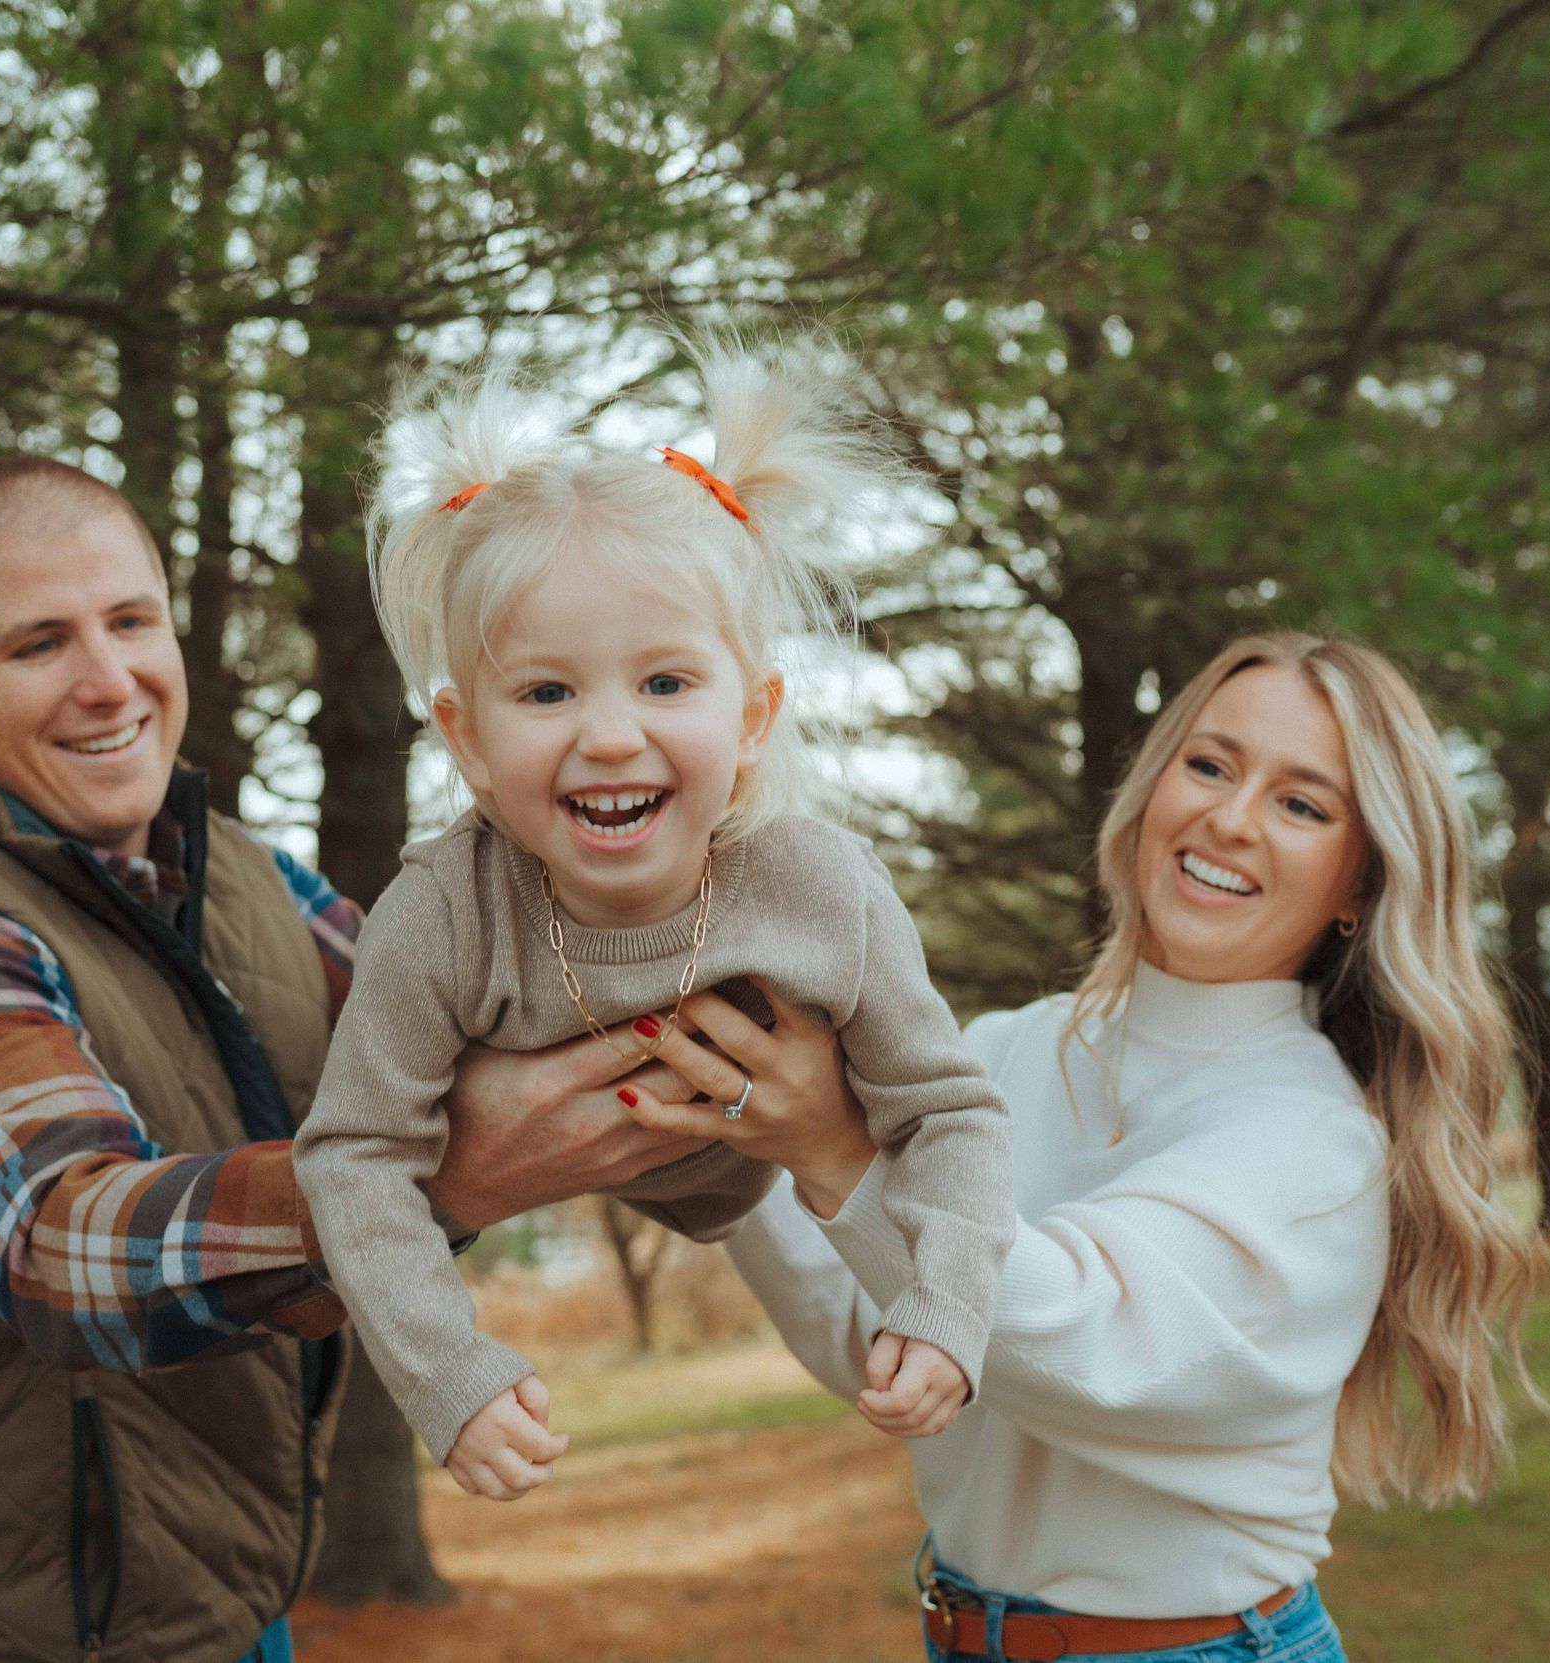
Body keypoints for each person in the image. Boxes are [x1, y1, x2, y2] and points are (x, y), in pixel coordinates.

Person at [0, 456, 694, 1663]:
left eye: (130, 621)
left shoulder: (256, 879)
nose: (108, 679)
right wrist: (436, 1184)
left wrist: (683, 904)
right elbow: (66, 1248)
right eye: (39, 645)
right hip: (27, 1638)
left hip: (233, 1603)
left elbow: (488, 1040)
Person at [572, 631, 1543, 1662]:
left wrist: (829, 1146)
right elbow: (879, 1338)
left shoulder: (1316, 1140)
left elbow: (1075, 1338)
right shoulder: (1003, 1051)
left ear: (1358, 884)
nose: (1228, 817)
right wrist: (698, 1098)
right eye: (1208, 765)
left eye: (1300, 804)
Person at [292, 340, 1017, 1502]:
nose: (611, 734)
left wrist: (945, 1304)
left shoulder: (823, 892)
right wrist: (447, 1371)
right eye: (545, 691)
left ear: (753, 717)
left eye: (665, 683)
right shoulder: (438, 916)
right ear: (466, 738)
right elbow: (355, 1151)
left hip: (751, 1191)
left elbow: (951, 1112)